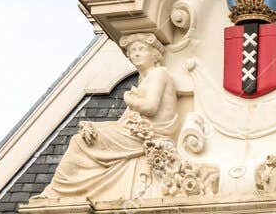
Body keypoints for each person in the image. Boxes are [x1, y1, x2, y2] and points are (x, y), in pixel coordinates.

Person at [45, 34, 179, 200]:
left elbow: (150, 108)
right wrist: (94, 126)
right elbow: (122, 123)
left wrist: (129, 100)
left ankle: (57, 192)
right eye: (133, 50)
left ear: (154, 54)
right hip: (140, 133)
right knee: (84, 136)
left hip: (153, 134)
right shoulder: (143, 80)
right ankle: (64, 192)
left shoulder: (159, 73)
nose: (136, 53)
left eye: (142, 49)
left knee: (78, 142)